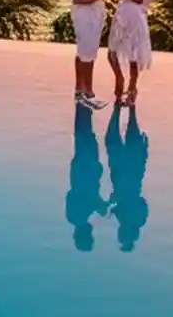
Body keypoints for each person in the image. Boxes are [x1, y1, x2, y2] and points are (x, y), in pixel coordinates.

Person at [106, 0, 154, 106]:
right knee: (113, 53)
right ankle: (122, 81)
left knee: (132, 55)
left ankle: (131, 88)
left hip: (133, 16)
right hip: (122, 15)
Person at [68, 0, 109, 107]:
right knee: (85, 54)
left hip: (91, 14)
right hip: (86, 15)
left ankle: (86, 88)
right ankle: (82, 91)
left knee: (87, 53)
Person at [106, 104, 150, 252]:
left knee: (117, 137)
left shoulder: (137, 219)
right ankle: (123, 106)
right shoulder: (130, 219)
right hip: (124, 174)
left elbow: (143, 202)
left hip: (130, 173)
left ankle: (122, 106)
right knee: (116, 138)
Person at [65, 103, 109, 252]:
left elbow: (90, 198)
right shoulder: (73, 216)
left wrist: (101, 206)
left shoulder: (80, 214)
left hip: (87, 169)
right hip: (79, 170)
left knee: (86, 137)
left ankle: (83, 104)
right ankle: (82, 105)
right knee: (83, 135)